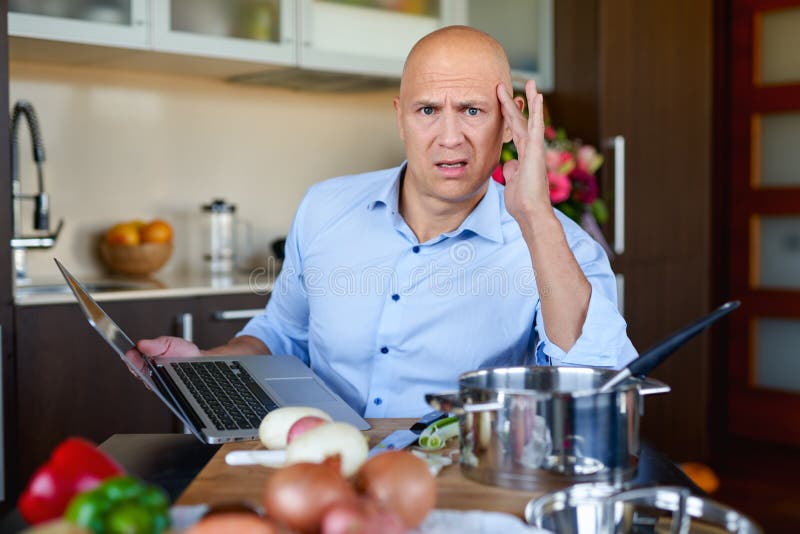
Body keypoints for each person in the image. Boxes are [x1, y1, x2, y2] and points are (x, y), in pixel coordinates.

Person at [138, 26, 637, 417]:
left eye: (472, 110)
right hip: (325, 472)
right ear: (399, 118)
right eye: (427, 110)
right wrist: (203, 367)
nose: (449, 137)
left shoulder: (559, 246)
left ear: (511, 122)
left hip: (464, 483)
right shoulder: (324, 207)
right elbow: (281, 336)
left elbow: (596, 382)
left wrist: (535, 217)